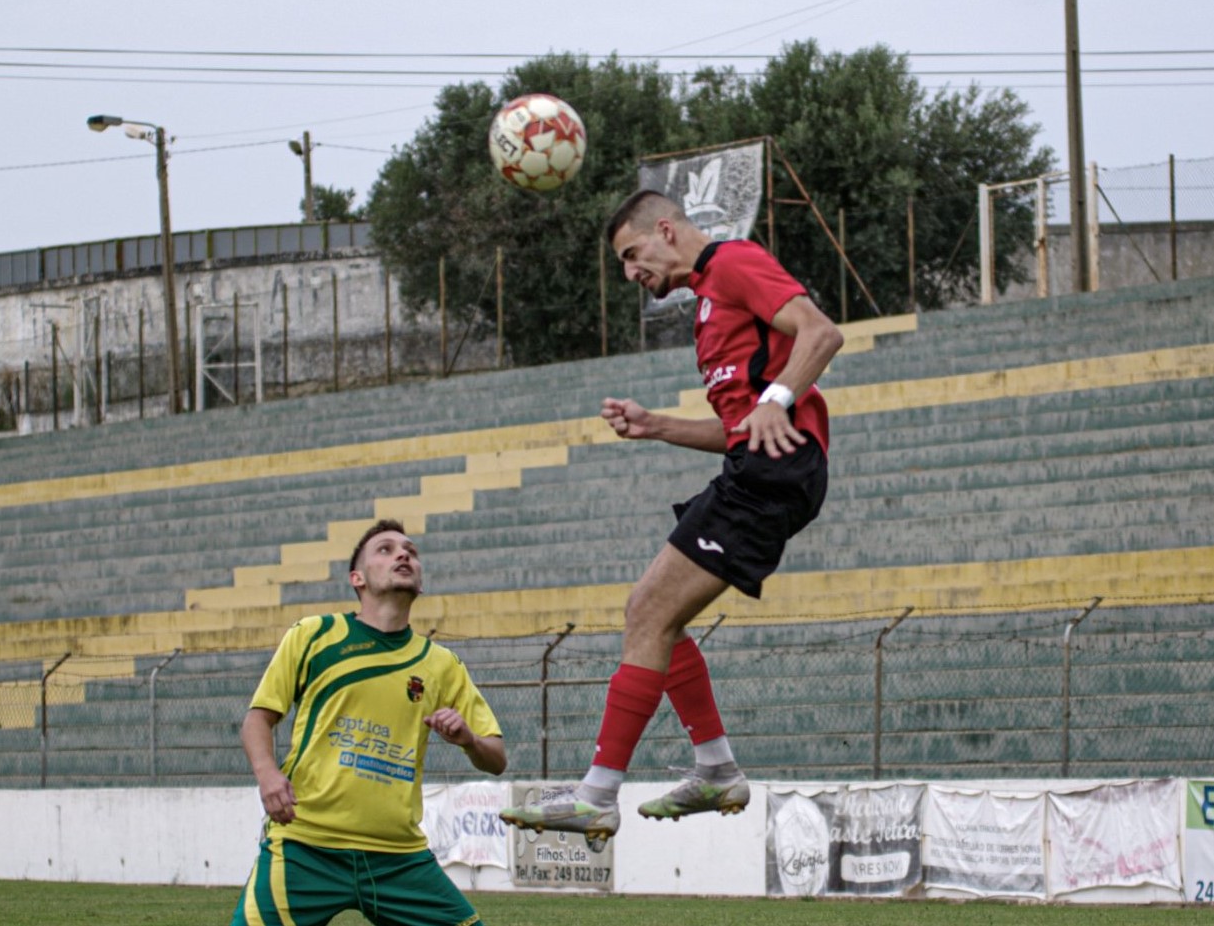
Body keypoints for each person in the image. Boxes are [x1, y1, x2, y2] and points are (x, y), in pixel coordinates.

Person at [500, 190, 843, 848]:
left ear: (664, 229)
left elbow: (821, 332)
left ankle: (597, 795)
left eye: (631, 255)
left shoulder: (734, 262)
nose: (630, 273)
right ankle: (713, 767)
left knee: (645, 612)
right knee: (655, 617)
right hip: (759, 466)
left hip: (778, 471)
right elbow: (743, 429)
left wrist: (778, 397)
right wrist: (657, 425)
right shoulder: (709, 301)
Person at [229, 518, 507, 926]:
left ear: (421, 583)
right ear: (356, 578)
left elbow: (496, 757)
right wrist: (268, 775)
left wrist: (467, 739)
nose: (403, 554)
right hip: (306, 846)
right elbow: (258, 719)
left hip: (399, 858)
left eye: (410, 551)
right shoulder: (315, 635)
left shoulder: (442, 664)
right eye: (386, 549)